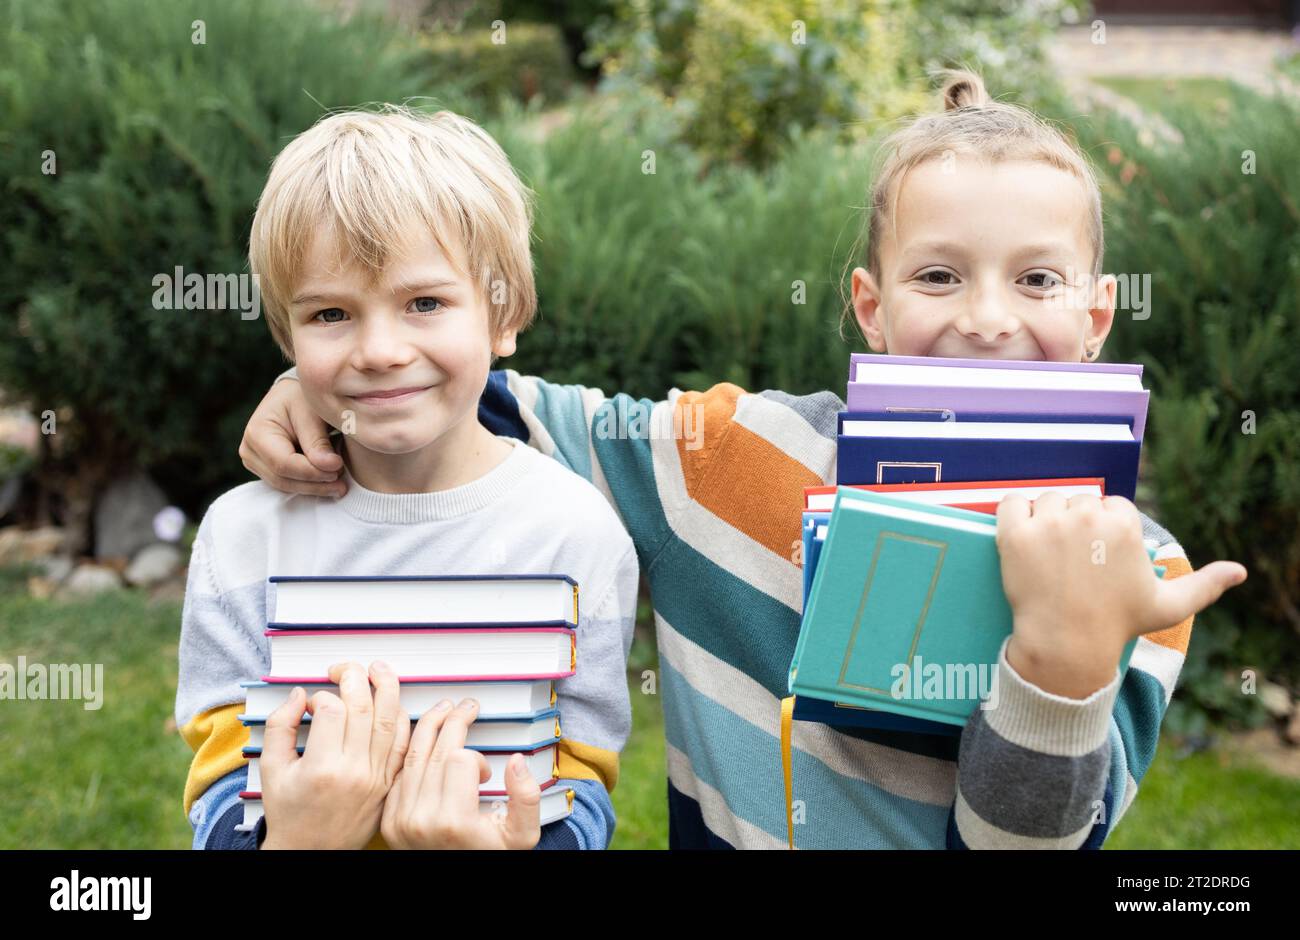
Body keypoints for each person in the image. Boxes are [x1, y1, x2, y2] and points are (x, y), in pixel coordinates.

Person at [237, 73, 1247, 848]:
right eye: (936, 275)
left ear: (1093, 317)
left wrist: (1060, 671)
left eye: (1035, 279)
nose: (986, 318)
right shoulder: (720, 459)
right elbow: (496, 404)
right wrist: (333, 396)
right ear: (870, 304)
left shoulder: (1143, 576)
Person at [176, 106, 638, 850]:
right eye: (331, 313)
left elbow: (582, 773)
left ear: (504, 313)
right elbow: (219, 783)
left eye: (424, 303)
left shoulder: (575, 533)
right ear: (286, 336)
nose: (381, 350)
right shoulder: (241, 538)